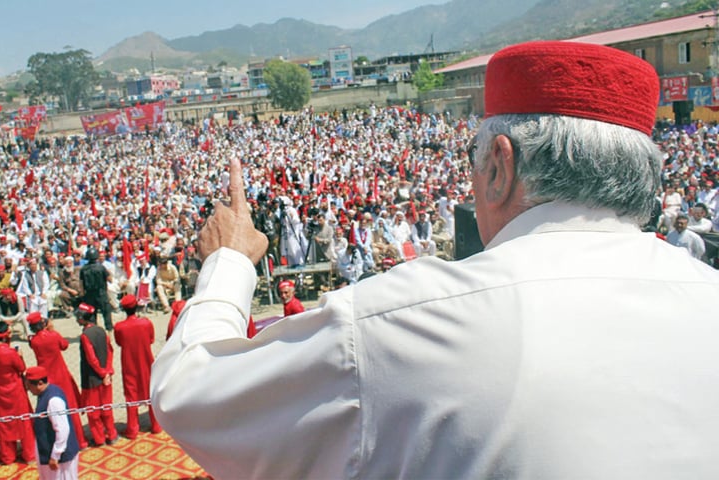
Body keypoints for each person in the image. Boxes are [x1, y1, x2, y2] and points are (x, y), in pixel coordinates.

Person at [151, 41, 719, 479]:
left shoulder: (406, 321)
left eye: (474, 166)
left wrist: (229, 262)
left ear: (499, 166)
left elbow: (192, 397)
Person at [27, 311, 88, 449]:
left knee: (51, 410)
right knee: (70, 406)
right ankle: (80, 440)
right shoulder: (53, 336)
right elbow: (64, 345)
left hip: (45, 377)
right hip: (61, 374)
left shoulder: (33, 341)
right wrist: (52, 330)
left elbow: (33, 342)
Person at [0, 321, 36, 464]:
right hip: (15, 390)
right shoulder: (10, 353)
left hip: (0, 390)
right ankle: (29, 454)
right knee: (24, 421)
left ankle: (8, 456)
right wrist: (20, 355)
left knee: (5, 423)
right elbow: (21, 368)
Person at [113, 294, 162, 439]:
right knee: (150, 390)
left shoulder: (119, 327)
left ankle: (133, 428)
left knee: (131, 394)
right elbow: (151, 339)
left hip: (129, 363)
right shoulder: (146, 323)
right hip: (146, 361)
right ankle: (156, 424)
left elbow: (119, 343)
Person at [26, 366, 80, 480]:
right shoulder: (47, 393)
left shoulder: (53, 400)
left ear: (39, 383)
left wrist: (55, 455)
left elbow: (63, 429)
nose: (28, 389)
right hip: (53, 452)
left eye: (29, 385)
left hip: (61, 457)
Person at [77, 302, 117, 446]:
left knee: (94, 412)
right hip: (106, 377)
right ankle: (112, 434)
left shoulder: (85, 336)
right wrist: (108, 371)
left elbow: (91, 359)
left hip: (92, 379)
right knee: (107, 407)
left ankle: (99, 438)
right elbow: (110, 351)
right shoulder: (102, 331)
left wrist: (101, 373)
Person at [79, 248, 113, 331]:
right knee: (106, 312)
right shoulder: (101, 267)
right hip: (101, 293)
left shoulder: (83, 269)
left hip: (89, 294)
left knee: (91, 314)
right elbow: (110, 279)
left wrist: (82, 294)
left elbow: (81, 282)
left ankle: (94, 331)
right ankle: (109, 331)